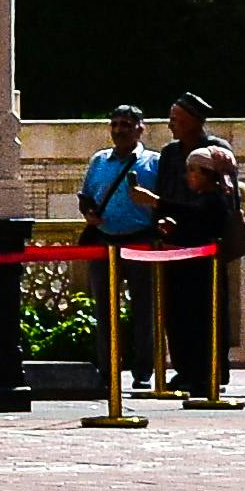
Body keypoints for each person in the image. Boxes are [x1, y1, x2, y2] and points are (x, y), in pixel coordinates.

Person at [152, 95, 245, 400]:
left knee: (206, 312)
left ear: (194, 121)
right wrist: (162, 221)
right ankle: (184, 369)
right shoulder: (170, 154)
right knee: (177, 312)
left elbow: (224, 199)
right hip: (175, 246)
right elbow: (164, 192)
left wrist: (171, 208)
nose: (171, 124)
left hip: (205, 249)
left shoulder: (217, 152)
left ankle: (210, 371)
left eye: (177, 118)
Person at [73, 102, 161, 391]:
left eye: (126, 124)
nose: (119, 130)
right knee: (104, 308)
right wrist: (88, 213)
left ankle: (143, 370)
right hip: (104, 241)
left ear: (140, 128)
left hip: (140, 240)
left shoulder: (153, 163)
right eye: (115, 125)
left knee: (143, 308)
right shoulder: (99, 161)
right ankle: (107, 368)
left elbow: (163, 201)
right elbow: (86, 196)